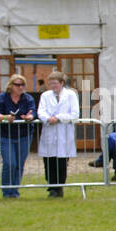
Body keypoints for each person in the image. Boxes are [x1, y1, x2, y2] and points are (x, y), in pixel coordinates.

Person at [0, 74, 37, 198]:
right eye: (17, 85)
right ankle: (6, 190)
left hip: (24, 135)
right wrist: (7, 117)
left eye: (22, 85)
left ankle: (14, 190)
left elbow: (33, 111)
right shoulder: (0, 98)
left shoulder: (27, 98)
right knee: (9, 163)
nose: (20, 87)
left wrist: (29, 117)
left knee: (19, 164)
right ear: (11, 86)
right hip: (6, 135)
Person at [36, 70, 78, 198]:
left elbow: (74, 114)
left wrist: (58, 118)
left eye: (55, 83)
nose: (53, 86)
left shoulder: (70, 95)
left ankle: (59, 187)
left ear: (62, 83)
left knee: (61, 162)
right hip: (49, 130)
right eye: (51, 84)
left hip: (64, 132)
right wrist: (48, 118)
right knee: (49, 161)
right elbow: (40, 111)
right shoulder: (45, 96)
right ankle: (51, 187)